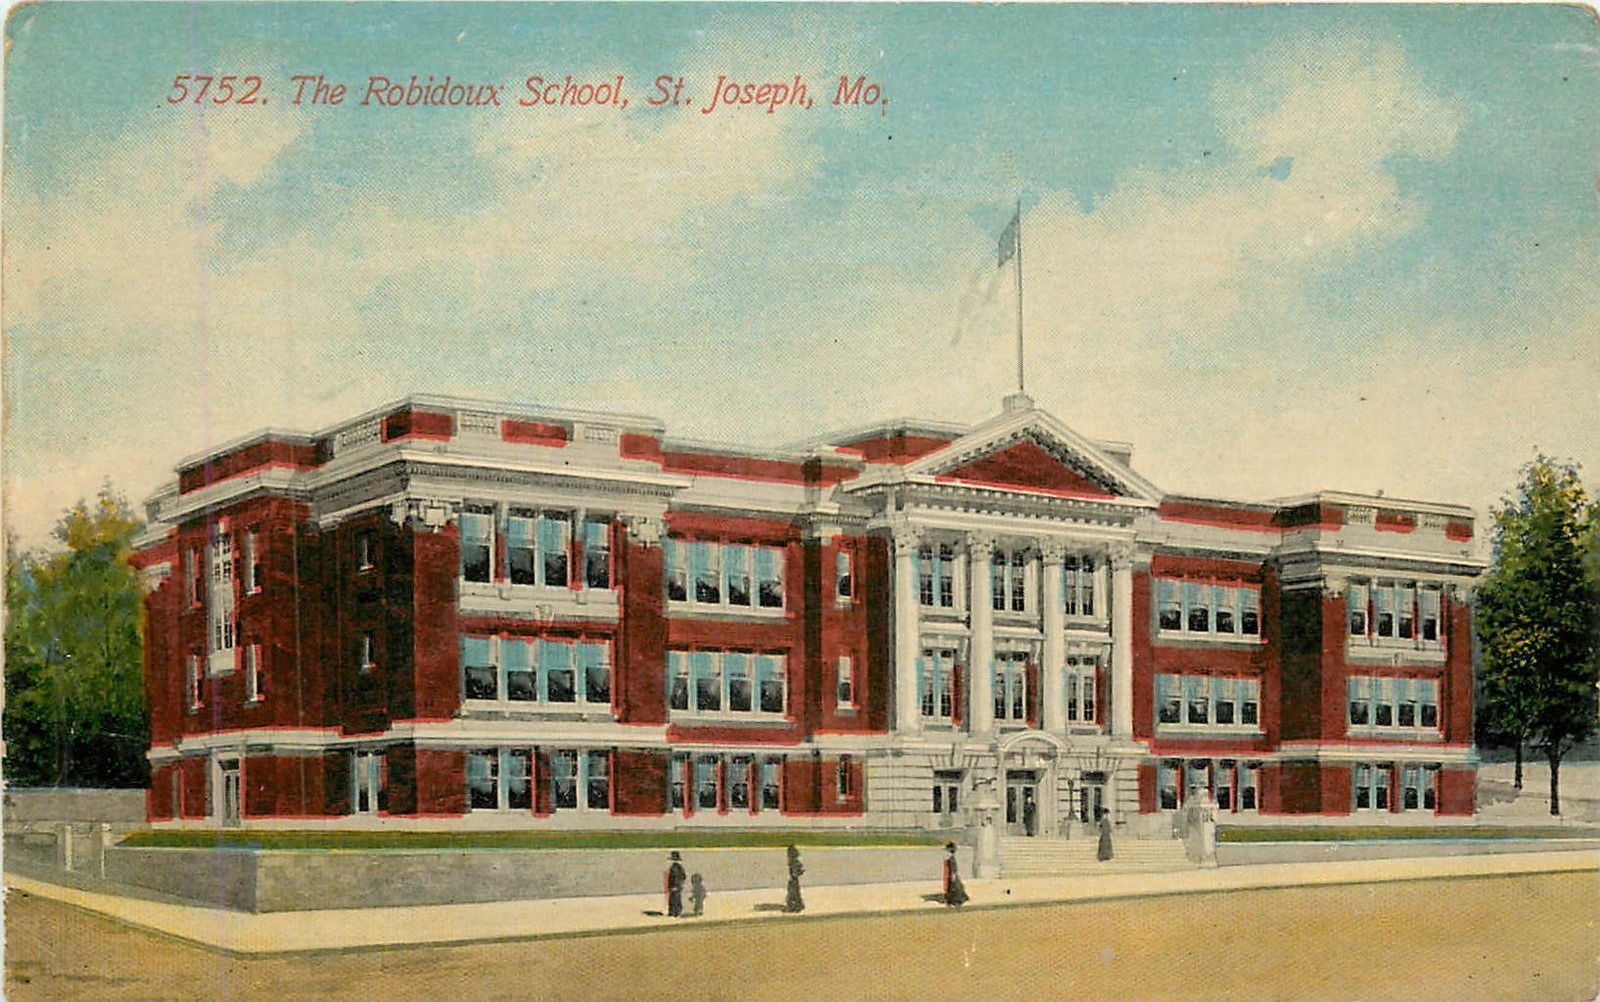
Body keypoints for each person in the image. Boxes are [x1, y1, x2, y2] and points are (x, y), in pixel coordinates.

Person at [942, 842, 969, 908]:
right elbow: (952, 867)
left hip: (952, 874)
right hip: (952, 874)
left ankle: (954, 901)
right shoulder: (950, 857)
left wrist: (953, 874)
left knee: (953, 888)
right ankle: (954, 901)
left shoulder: (950, 857)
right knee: (954, 887)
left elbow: (953, 867)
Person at [784, 845, 805, 913]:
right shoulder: (794, 861)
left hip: (793, 879)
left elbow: (797, 870)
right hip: (794, 878)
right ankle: (796, 905)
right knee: (794, 892)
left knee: (793, 892)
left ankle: (794, 906)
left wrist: (795, 874)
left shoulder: (795, 861)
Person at [666, 851, 686, 917]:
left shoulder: (675, 868)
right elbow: (683, 876)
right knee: (676, 899)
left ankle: (674, 912)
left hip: (675, 886)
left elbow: (674, 878)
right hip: (677, 886)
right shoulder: (679, 867)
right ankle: (676, 912)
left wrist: (675, 886)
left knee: (674, 899)